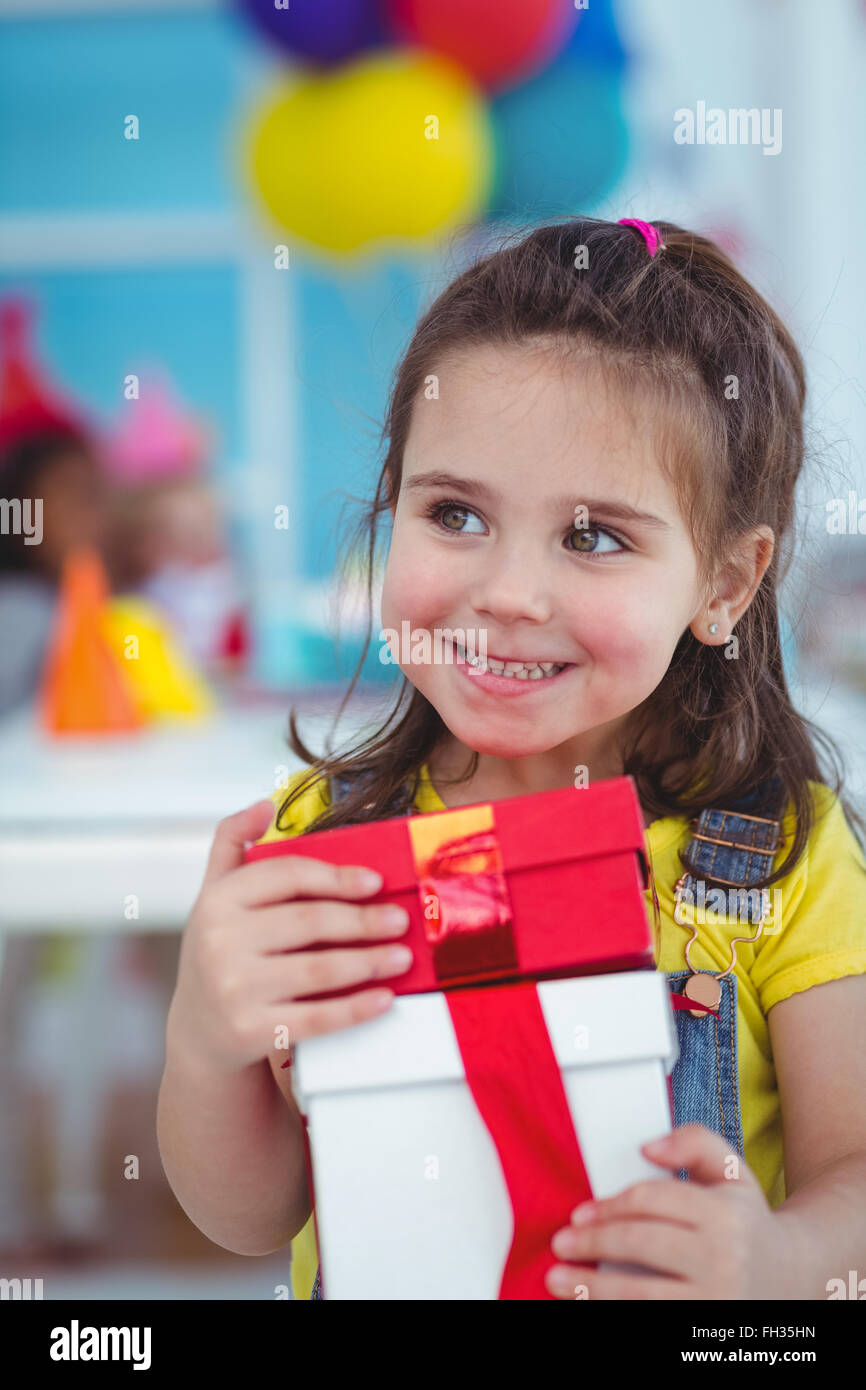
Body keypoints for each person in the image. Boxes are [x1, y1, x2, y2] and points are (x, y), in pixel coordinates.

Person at [157, 217, 866, 1301]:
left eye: (591, 537)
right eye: (453, 514)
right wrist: (209, 1041)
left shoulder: (779, 859)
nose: (506, 595)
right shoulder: (325, 839)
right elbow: (250, 1213)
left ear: (724, 583)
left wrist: (779, 1262)